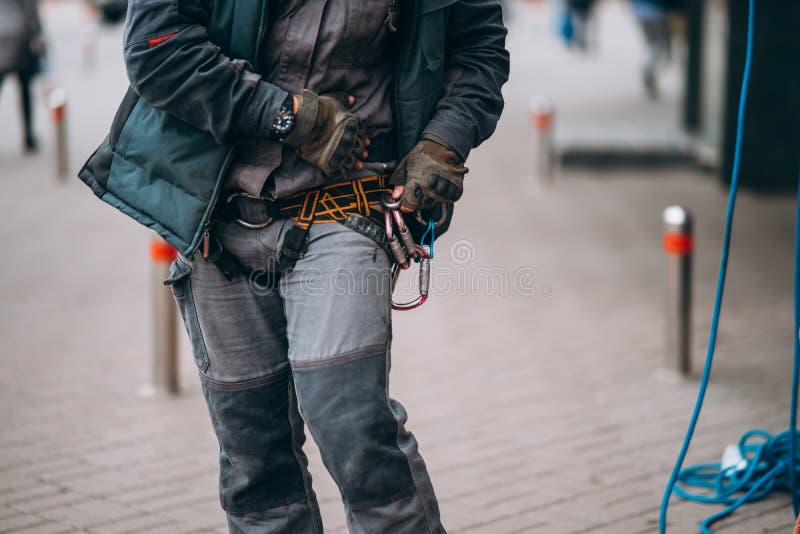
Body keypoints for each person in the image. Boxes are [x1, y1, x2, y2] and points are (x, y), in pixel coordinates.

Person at [79, 0, 509, 532]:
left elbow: (478, 50)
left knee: (351, 428)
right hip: (221, 221)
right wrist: (289, 116)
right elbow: (157, 49)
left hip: (346, 208)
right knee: (254, 468)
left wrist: (445, 139)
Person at [0, 0, 44, 153]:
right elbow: (31, 9)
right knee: (25, 89)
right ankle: (28, 137)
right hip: (20, 37)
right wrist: (37, 34)